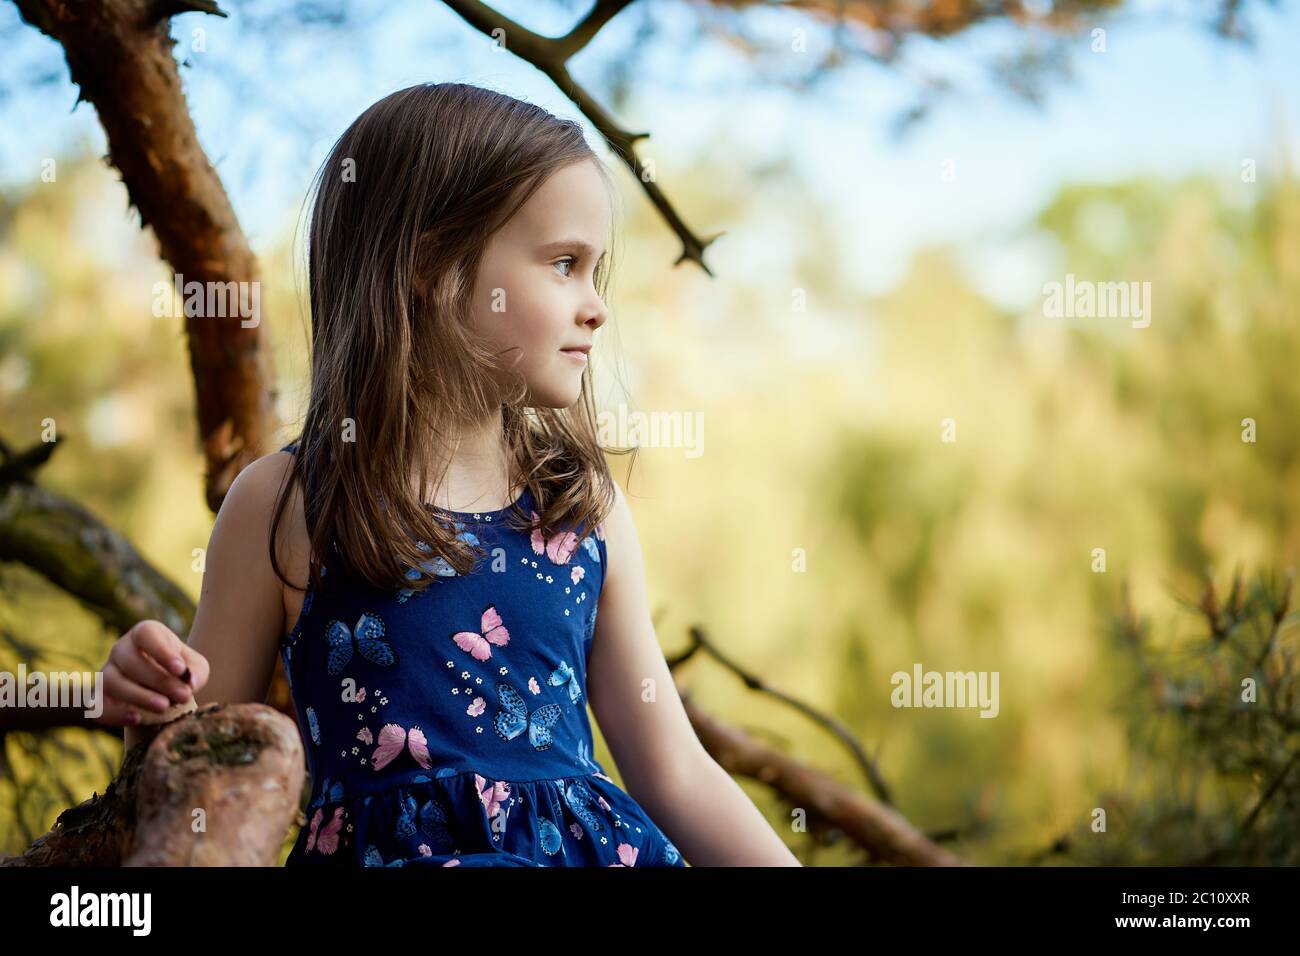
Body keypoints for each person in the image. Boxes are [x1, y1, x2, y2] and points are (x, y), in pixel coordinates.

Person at [96, 82, 801, 867]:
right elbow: (200, 776)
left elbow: (675, 772)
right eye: (564, 264)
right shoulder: (283, 502)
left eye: (596, 271)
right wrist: (149, 703)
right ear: (431, 265)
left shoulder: (583, 510)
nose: (596, 306)